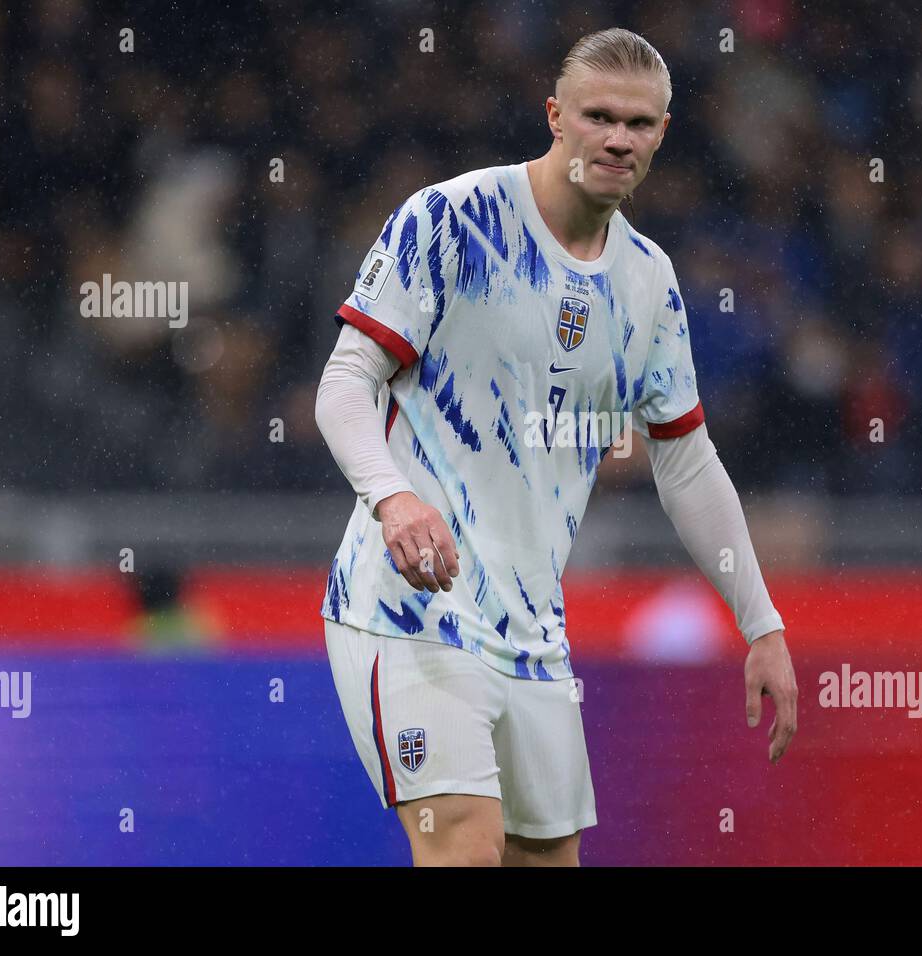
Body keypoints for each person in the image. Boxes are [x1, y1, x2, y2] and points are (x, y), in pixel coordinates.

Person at [315, 27, 797, 867]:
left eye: (640, 124)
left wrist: (761, 623)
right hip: (407, 606)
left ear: (663, 134)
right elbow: (344, 382)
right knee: (463, 847)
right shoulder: (453, 219)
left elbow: (685, 460)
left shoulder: (649, 282)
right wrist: (392, 497)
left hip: (533, 634)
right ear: (555, 116)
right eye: (599, 116)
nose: (618, 138)